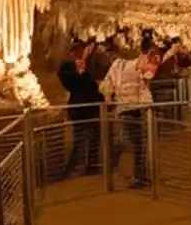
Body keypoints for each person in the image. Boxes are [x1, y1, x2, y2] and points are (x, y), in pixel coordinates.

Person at [103, 48, 158, 188]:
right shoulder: (131, 69)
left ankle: (125, 173)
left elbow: (106, 86)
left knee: (135, 143)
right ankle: (132, 175)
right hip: (129, 109)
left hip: (128, 109)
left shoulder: (124, 68)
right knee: (134, 143)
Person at [57, 41, 104, 178]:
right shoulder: (71, 74)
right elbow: (83, 85)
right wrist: (81, 67)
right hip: (82, 110)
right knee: (81, 140)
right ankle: (71, 169)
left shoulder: (82, 75)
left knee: (93, 138)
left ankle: (90, 166)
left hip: (88, 108)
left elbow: (91, 89)